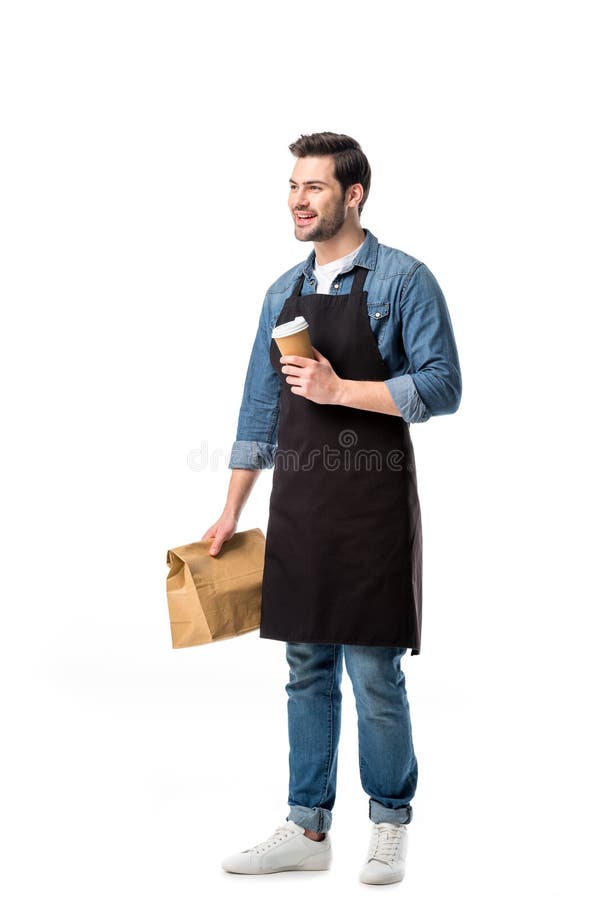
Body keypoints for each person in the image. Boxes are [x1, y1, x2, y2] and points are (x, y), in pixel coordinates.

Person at [202, 132, 462, 885]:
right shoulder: (280, 292)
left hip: (373, 504)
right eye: (292, 185)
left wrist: (337, 389)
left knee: (372, 669)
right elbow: (259, 410)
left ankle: (388, 824)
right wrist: (228, 511)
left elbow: (443, 386)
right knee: (304, 663)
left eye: (313, 187)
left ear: (353, 196)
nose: (297, 200)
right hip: (302, 507)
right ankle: (306, 828)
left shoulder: (403, 280)